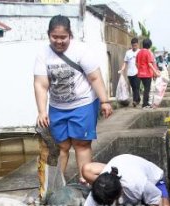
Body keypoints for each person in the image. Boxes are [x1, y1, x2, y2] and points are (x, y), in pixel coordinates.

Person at [34, 15, 113, 181]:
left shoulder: (81, 51)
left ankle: (85, 181)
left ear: (70, 35)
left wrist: (104, 101)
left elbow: (95, 77)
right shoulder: (43, 54)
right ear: (48, 34)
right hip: (57, 107)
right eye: (55, 37)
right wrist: (42, 111)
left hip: (83, 104)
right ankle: (56, 184)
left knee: (81, 144)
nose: (59, 41)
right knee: (60, 146)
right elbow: (41, 84)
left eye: (63, 37)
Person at [136, 38, 160, 109]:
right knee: (147, 89)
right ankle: (145, 104)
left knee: (145, 88)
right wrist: (156, 72)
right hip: (147, 74)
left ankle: (145, 103)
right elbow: (150, 63)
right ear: (150, 45)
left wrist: (139, 69)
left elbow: (136, 63)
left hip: (140, 74)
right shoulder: (148, 52)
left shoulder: (139, 52)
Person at [119, 37, 141, 107]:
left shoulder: (140, 52)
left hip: (138, 72)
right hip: (130, 73)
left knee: (136, 86)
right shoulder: (128, 53)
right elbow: (125, 62)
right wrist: (122, 69)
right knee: (134, 87)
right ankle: (138, 99)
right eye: (133, 45)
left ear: (138, 44)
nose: (134, 47)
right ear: (131, 45)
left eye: (135, 45)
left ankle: (135, 101)